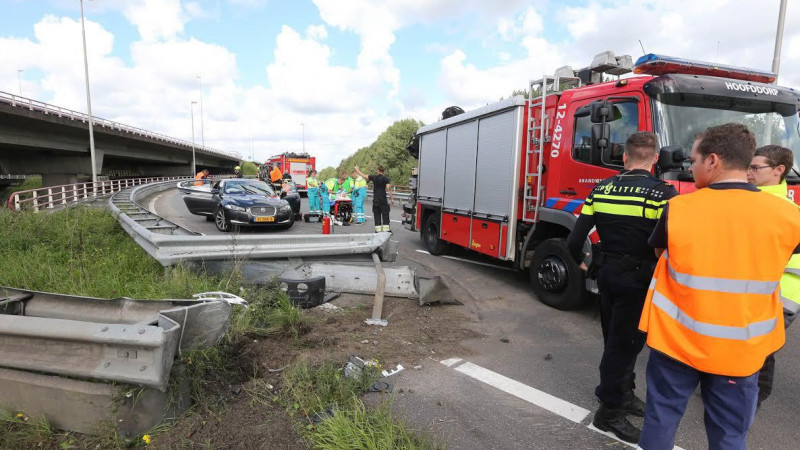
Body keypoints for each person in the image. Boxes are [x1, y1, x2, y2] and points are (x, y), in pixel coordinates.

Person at [637, 123, 800, 450]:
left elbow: (660, 252)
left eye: (694, 160)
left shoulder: (679, 208)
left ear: (712, 160)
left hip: (677, 341)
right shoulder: (790, 215)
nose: (691, 167)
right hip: (742, 351)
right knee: (730, 435)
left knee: (661, 421)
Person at [565, 132, 678, 443]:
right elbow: (672, 243)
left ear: (625, 157)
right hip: (639, 281)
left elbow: (575, 239)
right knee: (625, 344)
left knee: (615, 339)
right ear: (655, 159)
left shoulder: (601, 189)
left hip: (607, 274)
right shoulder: (663, 194)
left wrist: (581, 263)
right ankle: (609, 411)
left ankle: (622, 392)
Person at [746, 145, 800, 408]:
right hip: (772, 292)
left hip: (779, 295)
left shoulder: (773, 208)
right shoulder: (772, 204)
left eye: (755, 168)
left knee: (759, 351)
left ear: (779, 170)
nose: (749, 172)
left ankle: (752, 400)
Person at [354, 165, 393, 232]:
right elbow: (389, 189)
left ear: (378, 170)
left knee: (376, 215)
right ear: (383, 171)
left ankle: (377, 230)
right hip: (383, 200)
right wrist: (392, 199)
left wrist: (357, 169)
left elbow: (363, 175)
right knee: (385, 215)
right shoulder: (386, 179)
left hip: (376, 200)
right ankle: (386, 230)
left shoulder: (374, 177)